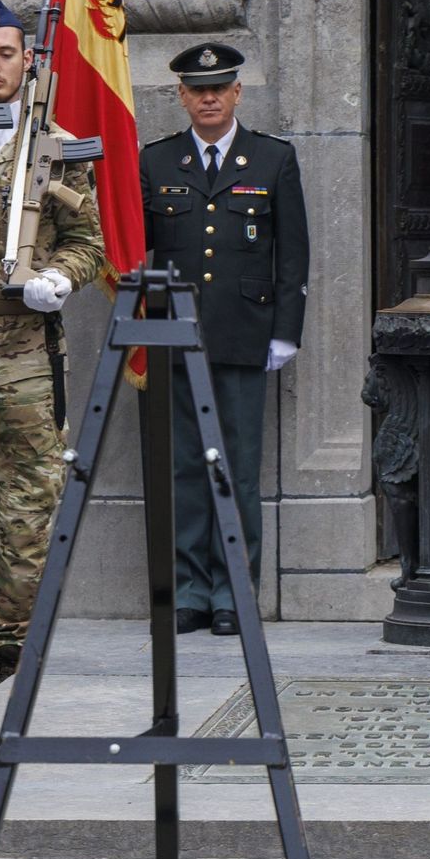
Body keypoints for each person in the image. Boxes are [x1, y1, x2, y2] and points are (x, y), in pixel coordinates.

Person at [0, 0, 107, 712]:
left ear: (27, 59)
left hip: (29, 352)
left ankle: (17, 650)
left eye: (7, 53)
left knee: (29, 511)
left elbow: (90, 239)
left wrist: (62, 277)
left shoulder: (57, 143)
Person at [139, 42, 308, 636]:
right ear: (181, 97)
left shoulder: (272, 159)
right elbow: (136, 247)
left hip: (244, 334)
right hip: (175, 333)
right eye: (196, 89)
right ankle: (187, 589)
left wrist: (286, 331)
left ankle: (233, 592)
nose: (208, 98)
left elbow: (293, 254)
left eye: (219, 88)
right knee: (183, 465)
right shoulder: (156, 162)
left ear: (237, 93)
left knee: (235, 466)